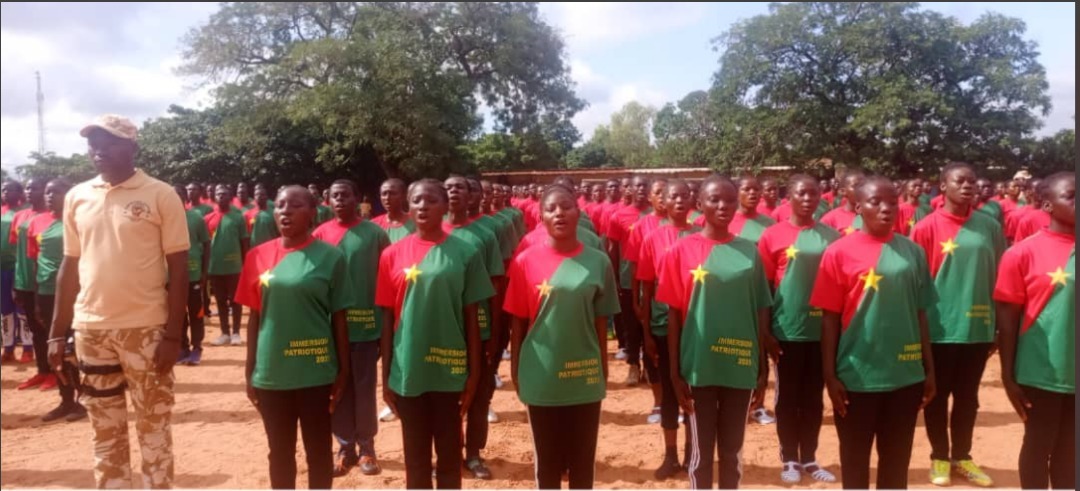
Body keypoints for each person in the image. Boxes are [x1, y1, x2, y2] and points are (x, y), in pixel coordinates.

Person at [48, 114, 190, 488]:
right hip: (91, 331)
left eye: (109, 142)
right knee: (104, 431)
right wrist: (57, 333)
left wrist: (173, 335)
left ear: (132, 147)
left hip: (146, 332)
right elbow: (70, 266)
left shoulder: (160, 194)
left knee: (153, 428)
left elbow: (179, 270)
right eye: (93, 143)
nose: (98, 150)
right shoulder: (78, 196)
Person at [810, 176, 937, 489]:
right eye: (875, 202)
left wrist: (929, 369)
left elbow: (921, 313)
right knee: (855, 464)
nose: (886, 208)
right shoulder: (838, 252)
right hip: (856, 377)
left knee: (896, 464)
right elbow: (829, 319)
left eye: (892, 202)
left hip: (904, 376)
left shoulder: (913, 252)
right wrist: (829, 375)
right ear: (857, 207)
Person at [376, 179, 493, 489]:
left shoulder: (465, 252)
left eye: (431, 200)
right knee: (415, 459)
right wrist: (386, 375)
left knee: (449, 455)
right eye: (416, 200)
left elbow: (472, 318)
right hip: (408, 368)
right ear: (408, 207)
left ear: (445, 206)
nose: (423, 206)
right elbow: (387, 318)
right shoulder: (391, 254)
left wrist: (474, 374)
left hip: (450, 368)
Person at [657, 175, 772, 489]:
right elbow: (673, 316)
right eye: (714, 199)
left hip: (740, 363)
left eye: (729, 200)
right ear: (699, 204)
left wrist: (762, 367)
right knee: (701, 455)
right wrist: (674, 373)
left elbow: (760, 309)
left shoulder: (749, 252)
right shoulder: (680, 251)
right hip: (699, 366)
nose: (723, 206)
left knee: (732, 454)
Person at [235, 185, 352, 490]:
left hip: (316, 371)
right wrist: (250, 371)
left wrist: (343, 370)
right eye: (280, 205)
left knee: (319, 451)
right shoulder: (257, 256)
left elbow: (340, 317)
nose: (285, 211)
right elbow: (255, 318)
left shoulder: (331, 257)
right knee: (280, 452)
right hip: (272, 373)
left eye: (295, 205)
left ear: (313, 213)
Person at [505, 184, 620, 489]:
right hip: (541, 374)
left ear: (578, 212)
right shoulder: (525, 261)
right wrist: (516, 368)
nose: (559, 213)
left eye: (566, 206)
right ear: (540, 216)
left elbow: (601, 323)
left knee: (582, 463)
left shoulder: (599, 262)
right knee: (548, 465)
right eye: (551, 208)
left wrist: (602, 368)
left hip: (584, 374)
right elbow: (518, 323)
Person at [911, 163, 1004, 487]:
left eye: (971, 181)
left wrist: (997, 324)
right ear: (943, 186)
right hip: (938, 329)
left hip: (977, 328)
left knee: (968, 397)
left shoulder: (989, 227)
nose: (967, 186)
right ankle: (939, 456)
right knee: (936, 396)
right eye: (959, 181)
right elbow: (915, 283)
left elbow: (1000, 276)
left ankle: (962, 456)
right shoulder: (925, 227)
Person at [757, 175, 840, 484]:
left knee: (814, 398)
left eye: (813, 193)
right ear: (788, 197)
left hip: (823, 332)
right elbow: (764, 289)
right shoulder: (772, 235)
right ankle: (789, 458)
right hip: (787, 330)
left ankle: (810, 458)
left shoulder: (832, 237)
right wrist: (765, 332)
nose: (808, 199)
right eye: (801, 193)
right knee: (788, 397)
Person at [993, 171, 1074, 490]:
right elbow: (1007, 320)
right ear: (1047, 205)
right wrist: (1007, 375)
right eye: (1071, 196)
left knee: (1071, 449)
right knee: (1039, 443)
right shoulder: (1021, 253)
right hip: (1040, 370)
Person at [307, 179, 390, 479]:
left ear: (357, 198)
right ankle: (345, 448)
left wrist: (384, 324)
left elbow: (387, 277)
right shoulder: (319, 235)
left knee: (364, 389)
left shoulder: (375, 234)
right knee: (337, 390)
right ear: (327, 200)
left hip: (366, 327)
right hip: (329, 329)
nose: (340, 200)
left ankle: (367, 447)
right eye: (335, 195)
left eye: (345, 195)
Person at [636, 179, 700, 479]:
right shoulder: (653, 238)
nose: (679, 201)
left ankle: (691, 454)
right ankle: (670, 455)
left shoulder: (701, 235)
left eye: (684, 195)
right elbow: (646, 289)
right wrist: (647, 333)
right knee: (670, 395)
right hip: (663, 326)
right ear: (663, 200)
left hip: (696, 326)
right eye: (673, 196)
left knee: (694, 391)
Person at [443, 175, 504, 480]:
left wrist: (494, 333)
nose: (454, 191)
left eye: (460, 187)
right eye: (448, 187)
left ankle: (474, 454)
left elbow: (495, 285)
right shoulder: (431, 232)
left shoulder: (485, 233)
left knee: (479, 395)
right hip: (444, 329)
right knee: (445, 395)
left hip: (479, 328)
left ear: (471, 196)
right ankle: (449, 451)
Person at [26, 178, 86, 421]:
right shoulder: (36, 223)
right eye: (48, 192)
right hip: (46, 292)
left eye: (57, 192)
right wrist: (35, 297)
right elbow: (35, 261)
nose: (50, 196)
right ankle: (66, 400)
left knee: (74, 348)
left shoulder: (79, 221)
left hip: (75, 292)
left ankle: (83, 399)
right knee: (54, 348)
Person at [607, 175, 652, 384]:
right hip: (628, 279)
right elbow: (613, 248)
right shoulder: (618, 216)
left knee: (649, 324)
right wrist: (615, 277)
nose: (641, 189)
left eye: (645, 185)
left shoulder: (656, 215)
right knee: (631, 324)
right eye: (637, 185)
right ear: (629, 190)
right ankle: (633, 364)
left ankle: (650, 367)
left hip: (653, 280)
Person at [12, 178, 50, 384]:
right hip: (24, 282)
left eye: (34, 188)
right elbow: (18, 253)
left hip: (44, 283)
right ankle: (42, 371)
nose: (29, 191)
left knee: (49, 329)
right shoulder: (19, 217)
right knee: (35, 330)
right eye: (27, 188)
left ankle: (56, 373)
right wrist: (16, 284)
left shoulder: (52, 217)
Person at [205, 184, 250, 347]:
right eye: (219, 194)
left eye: (224, 194)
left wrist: (245, 264)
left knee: (235, 300)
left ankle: (236, 333)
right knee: (220, 301)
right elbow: (205, 245)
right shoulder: (208, 218)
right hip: (215, 267)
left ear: (230, 197)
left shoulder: (238, 217)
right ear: (215, 197)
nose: (221, 196)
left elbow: (244, 242)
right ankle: (224, 333)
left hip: (234, 266)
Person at [175, 184, 210, 367]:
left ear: (185, 197)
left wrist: (204, 272)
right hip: (172, 277)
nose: (176, 198)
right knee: (177, 314)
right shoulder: (164, 219)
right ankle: (182, 348)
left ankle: (197, 347)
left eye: (179, 194)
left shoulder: (196, 218)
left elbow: (207, 244)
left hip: (194, 275)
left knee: (196, 313)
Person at [1, 180, 26, 363]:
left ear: (19, 193)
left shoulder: (27, 212)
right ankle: (8, 348)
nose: (5, 193)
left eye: (9, 190)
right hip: (2, 268)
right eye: (2, 190)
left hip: (20, 267)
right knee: (5, 310)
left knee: (22, 308)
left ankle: (28, 348)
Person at [820, 170, 866, 236]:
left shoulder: (875, 217)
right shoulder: (830, 219)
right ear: (843, 191)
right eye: (856, 186)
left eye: (864, 186)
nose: (861, 190)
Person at [371, 178, 416, 244]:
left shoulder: (416, 223)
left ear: (404, 196)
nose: (387, 198)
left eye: (392, 193)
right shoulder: (374, 225)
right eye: (384, 194)